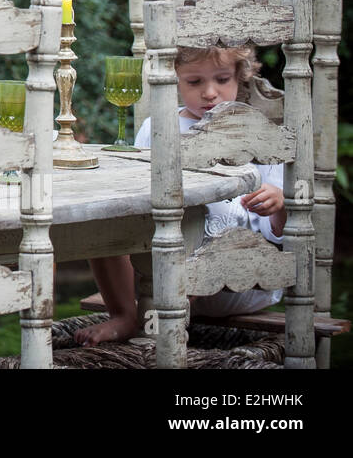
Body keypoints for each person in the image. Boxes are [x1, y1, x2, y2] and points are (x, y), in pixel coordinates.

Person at [77, 45, 286, 346]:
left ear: (240, 77)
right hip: (159, 278)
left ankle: (162, 323)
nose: (210, 93)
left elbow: (277, 235)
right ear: (175, 79)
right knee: (106, 224)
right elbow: (136, 204)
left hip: (243, 284)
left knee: (197, 215)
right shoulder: (158, 128)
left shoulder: (262, 134)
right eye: (194, 82)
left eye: (222, 79)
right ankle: (124, 315)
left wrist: (278, 204)